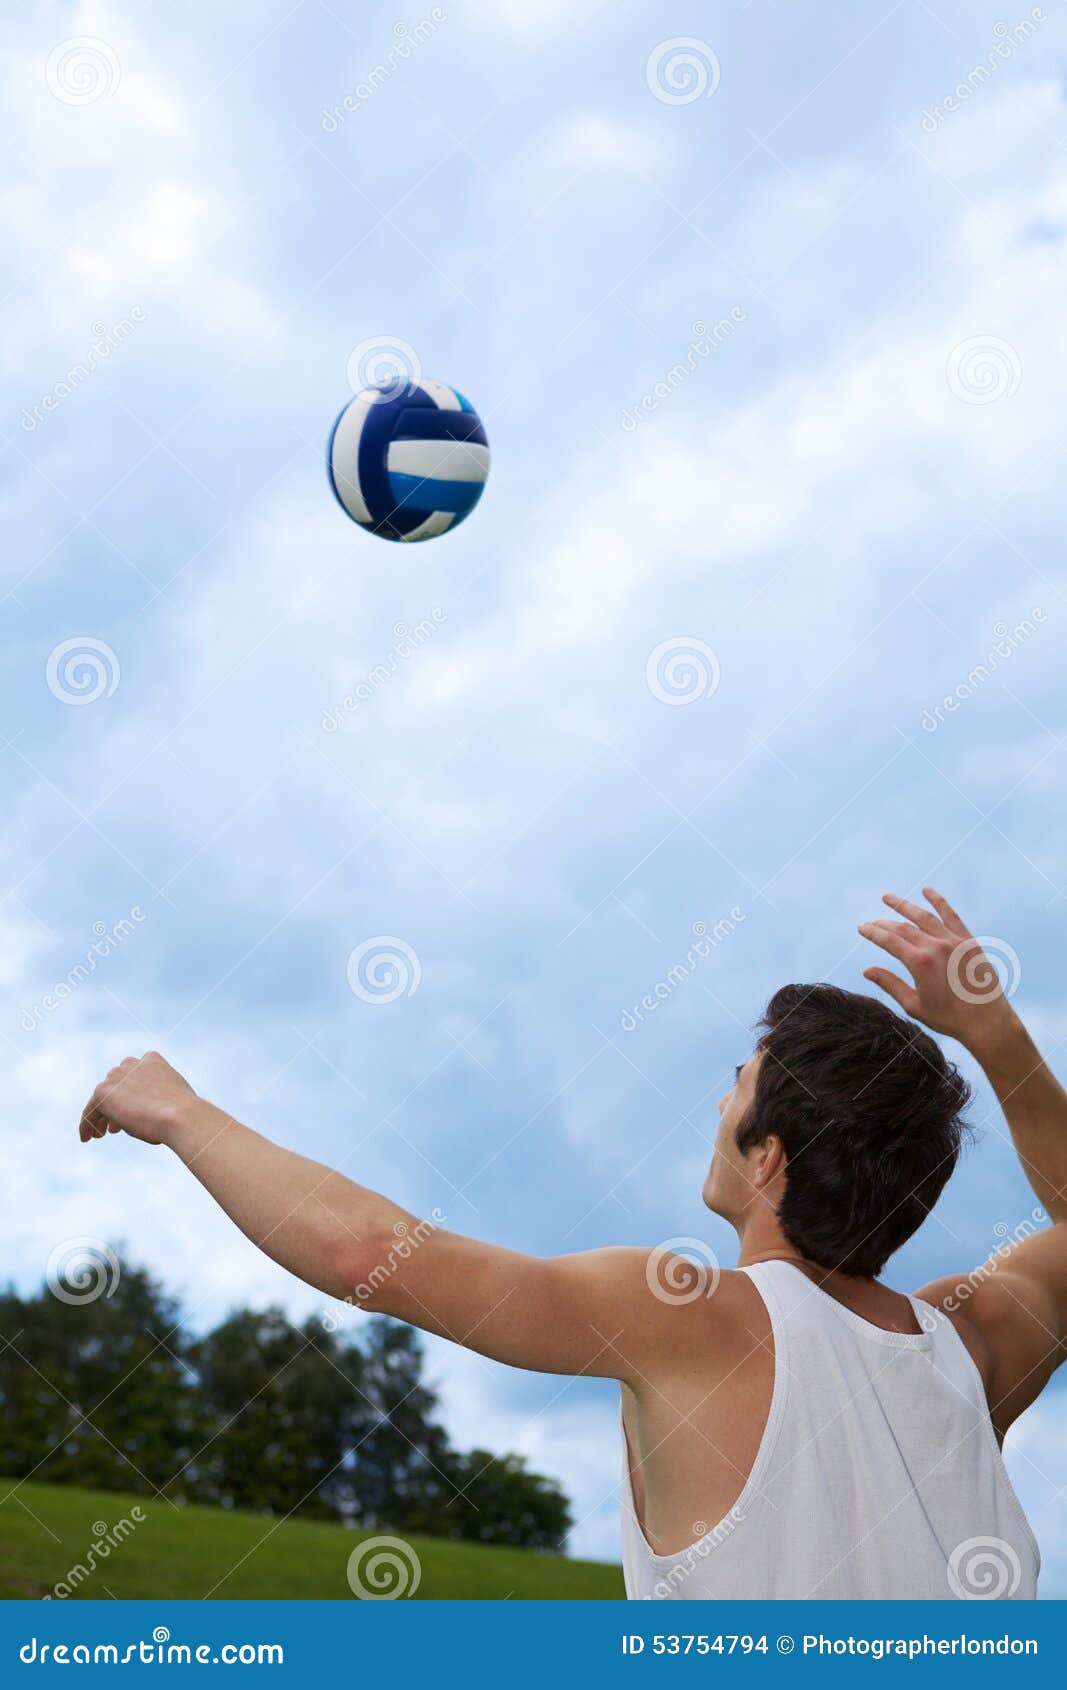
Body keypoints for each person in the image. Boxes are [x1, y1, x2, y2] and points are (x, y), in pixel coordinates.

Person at [79, 888, 1063, 1599]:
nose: (715, 1099)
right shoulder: (971, 1343)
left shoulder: (688, 1313)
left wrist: (176, 1110)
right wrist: (994, 1035)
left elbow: (363, 1252)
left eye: (735, 1081)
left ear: (766, 1158)